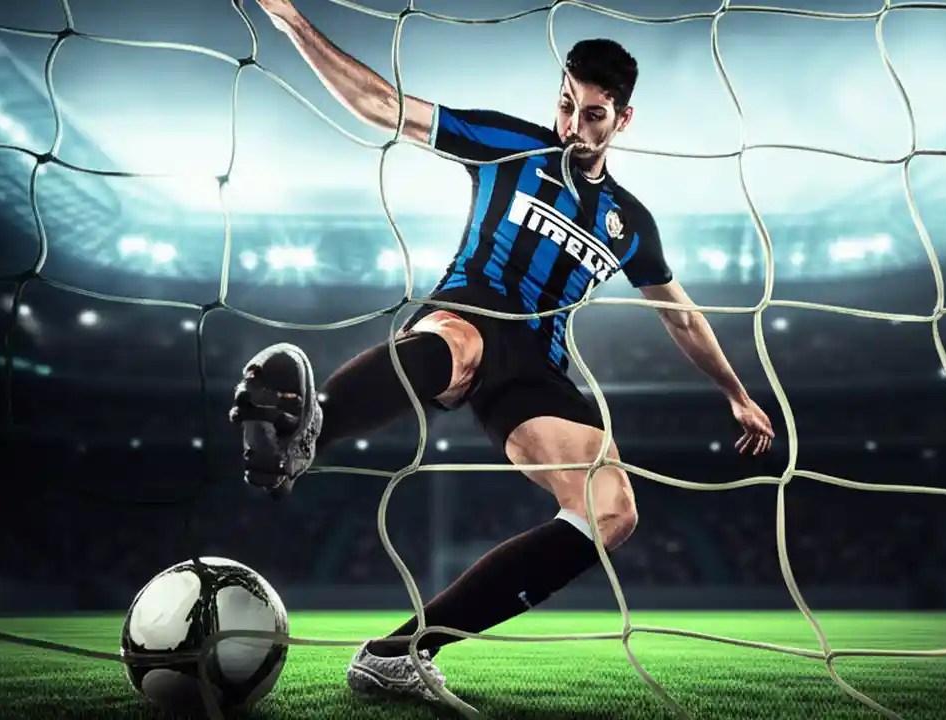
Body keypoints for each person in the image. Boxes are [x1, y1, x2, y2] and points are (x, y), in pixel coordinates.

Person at [233, 0, 777, 703]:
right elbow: (382, 106)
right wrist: (291, 20)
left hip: (537, 365)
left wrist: (737, 393)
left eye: (593, 115)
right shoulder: (507, 145)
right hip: (470, 310)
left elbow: (681, 316)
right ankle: (312, 428)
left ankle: (401, 652)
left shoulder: (628, 223)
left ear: (623, 119)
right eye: (566, 106)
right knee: (458, 343)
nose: (573, 127)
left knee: (612, 509)